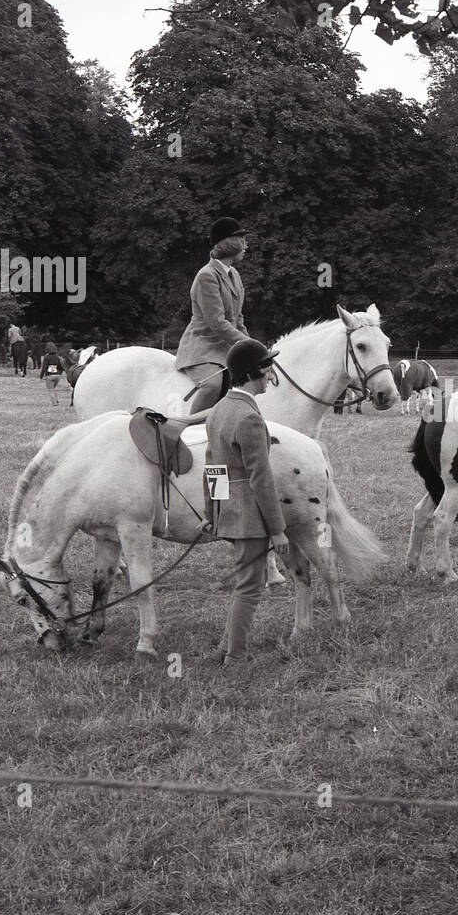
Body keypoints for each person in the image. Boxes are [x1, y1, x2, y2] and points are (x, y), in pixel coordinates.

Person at [203, 338, 290, 670]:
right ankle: (235, 658)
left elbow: (213, 466)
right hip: (250, 516)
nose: (270, 374)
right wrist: (278, 531)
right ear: (255, 373)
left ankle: (228, 646)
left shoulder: (218, 410)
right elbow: (261, 480)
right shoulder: (248, 417)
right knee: (250, 588)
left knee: (244, 584)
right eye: (267, 368)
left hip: (229, 512)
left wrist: (212, 512)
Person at [176, 216, 252, 414]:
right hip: (204, 346)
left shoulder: (234, 274)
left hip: (226, 348)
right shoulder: (206, 276)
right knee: (212, 386)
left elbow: (238, 318)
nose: (246, 246)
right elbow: (216, 322)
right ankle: (190, 428)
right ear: (229, 244)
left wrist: (253, 346)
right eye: (242, 241)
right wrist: (246, 344)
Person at [39, 341, 65, 405]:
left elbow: (44, 368)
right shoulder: (58, 357)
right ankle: (57, 401)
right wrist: (59, 373)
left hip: (49, 375)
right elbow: (61, 367)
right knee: (53, 389)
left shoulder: (46, 357)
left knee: (51, 390)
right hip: (57, 375)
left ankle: (54, 403)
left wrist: (41, 376)